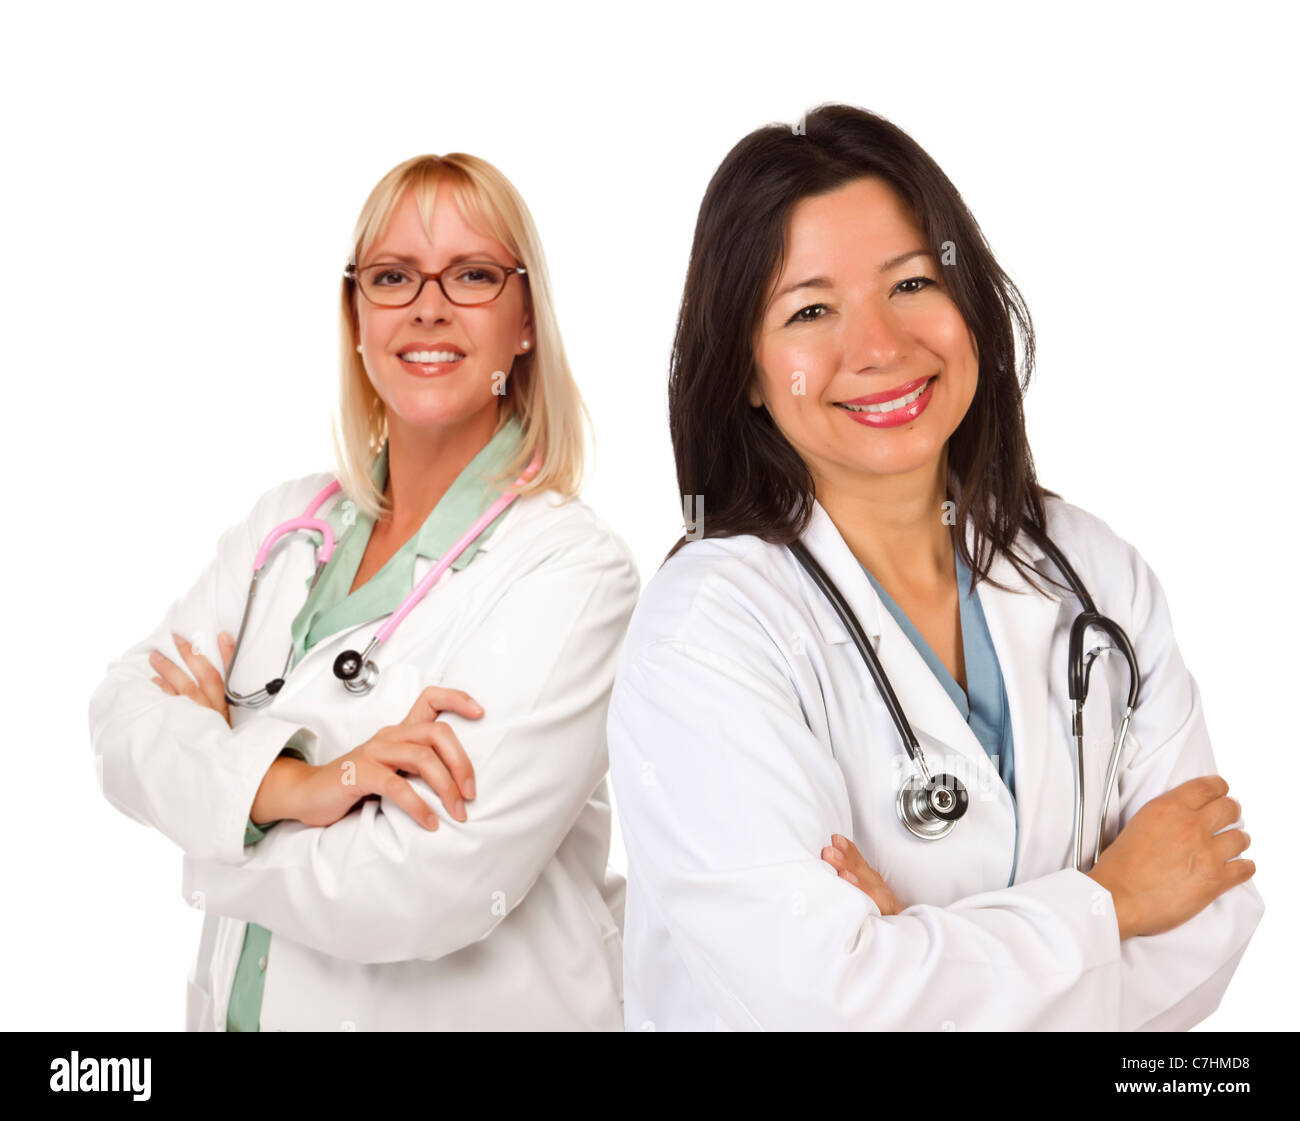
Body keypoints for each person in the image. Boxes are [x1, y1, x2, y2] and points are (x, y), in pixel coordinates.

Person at [605, 103, 1264, 1031]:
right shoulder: (708, 632)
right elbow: (821, 1006)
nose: (880, 346)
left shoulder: (1093, 574)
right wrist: (1111, 902)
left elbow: (1210, 919)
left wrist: (918, 950)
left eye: (912, 283)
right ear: (746, 370)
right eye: (811, 309)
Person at [88, 152, 639, 1031]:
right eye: (392, 276)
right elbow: (120, 717)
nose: (428, 306)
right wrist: (300, 787)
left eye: (472, 275)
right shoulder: (286, 526)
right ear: (355, 315)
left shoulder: (573, 571)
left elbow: (424, 885)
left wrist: (212, 807)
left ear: (526, 320)